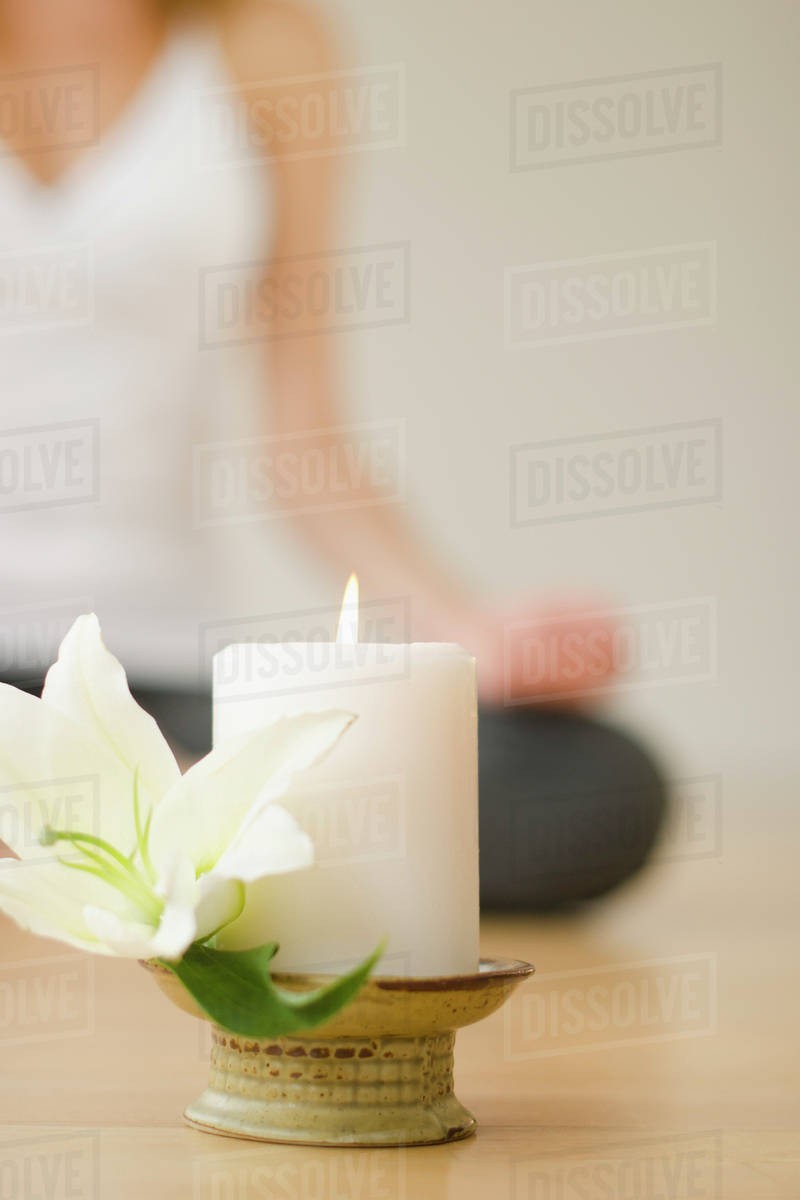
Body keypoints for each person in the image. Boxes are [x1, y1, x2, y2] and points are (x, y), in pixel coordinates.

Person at [0, 0, 665, 908]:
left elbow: (304, 443)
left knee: (594, 789)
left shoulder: (266, 49)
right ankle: (167, 837)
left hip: (156, 677)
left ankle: (114, 826)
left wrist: (469, 634)